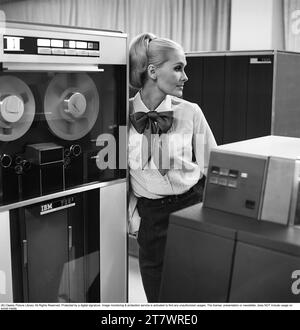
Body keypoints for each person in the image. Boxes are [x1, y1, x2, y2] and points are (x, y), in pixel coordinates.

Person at [128, 32, 217, 303]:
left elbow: (214, 166)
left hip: (192, 210)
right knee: (158, 299)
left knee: (197, 295)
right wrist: (133, 219)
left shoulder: (191, 112)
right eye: (178, 68)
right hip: (151, 219)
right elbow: (119, 176)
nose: (185, 76)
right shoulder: (119, 115)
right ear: (153, 71)